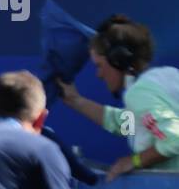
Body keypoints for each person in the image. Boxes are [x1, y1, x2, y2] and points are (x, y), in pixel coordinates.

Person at [57, 15, 179, 178]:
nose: (99, 75)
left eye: (99, 65)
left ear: (118, 60)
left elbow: (173, 139)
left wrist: (133, 161)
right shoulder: (166, 77)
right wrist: (76, 101)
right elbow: (130, 125)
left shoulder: (139, 94)